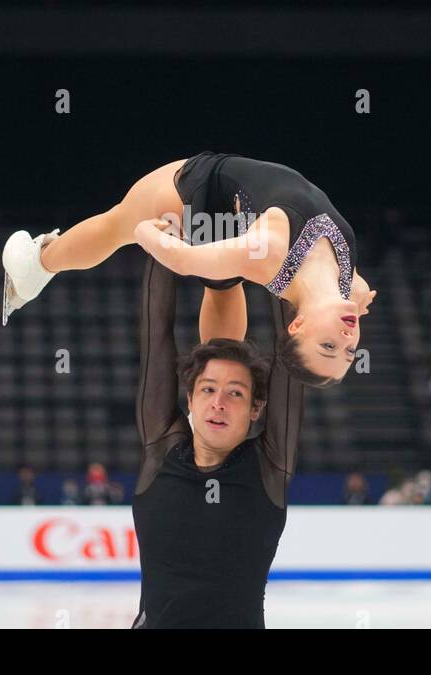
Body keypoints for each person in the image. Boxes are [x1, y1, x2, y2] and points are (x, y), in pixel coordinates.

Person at [2, 153, 376, 386]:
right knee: (223, 285)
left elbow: (182, 258)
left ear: (297, 326)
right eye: (346, 352)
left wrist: (147, 233)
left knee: (117, 225)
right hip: (235, 217)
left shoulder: (269, 250)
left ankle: (37, 263)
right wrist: (357, 294)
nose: (347, 340)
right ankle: (212, 378)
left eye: (327, 345)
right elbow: (349, 288)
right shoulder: (346, 285)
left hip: (203, 193)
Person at [129, 256, 302, 628]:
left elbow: (289, 348)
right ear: (189, 400)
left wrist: (279, 258)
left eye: (236, 394)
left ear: (257, 408)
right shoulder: (162, 450)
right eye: (207, 389)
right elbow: (156, 333)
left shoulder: (269, 468)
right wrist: (163, 249)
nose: (218, 403)